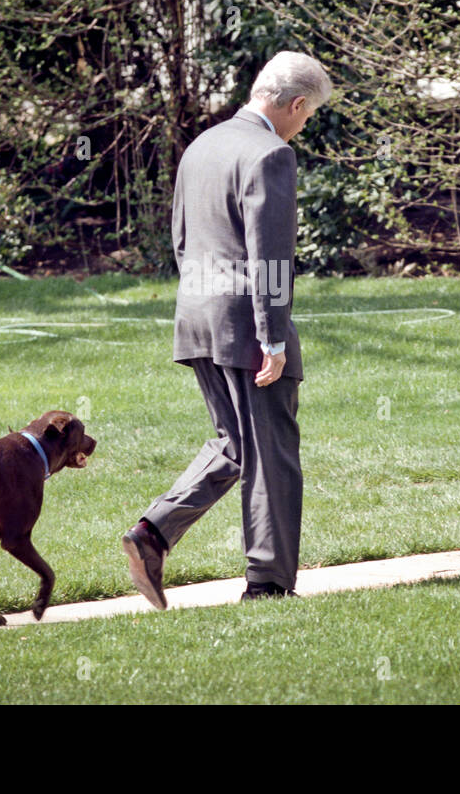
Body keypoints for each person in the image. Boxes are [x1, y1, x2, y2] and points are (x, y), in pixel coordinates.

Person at [122, 51, 333, 607]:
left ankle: (152, 533)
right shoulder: (271, 155)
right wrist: (273, 338)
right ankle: (268, 584)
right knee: (272, 455)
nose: (303, 125)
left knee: (234, 445)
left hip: (197, 316)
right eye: (307, 116)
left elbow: (181, 239)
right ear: (296, 104)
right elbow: (271, 260)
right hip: (246, 326)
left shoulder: (202, 145)